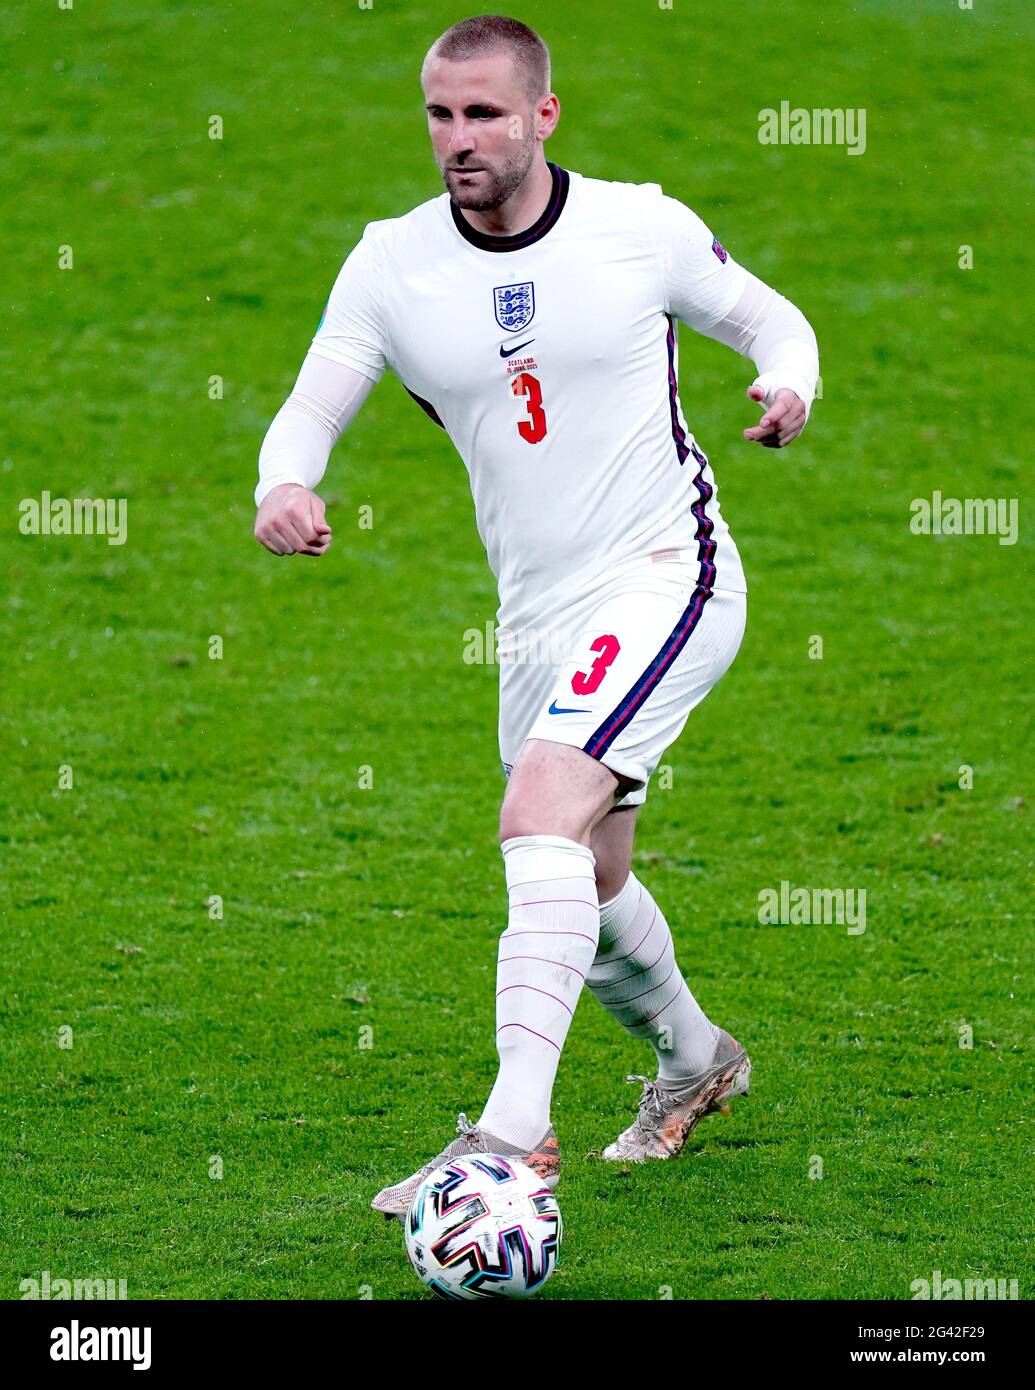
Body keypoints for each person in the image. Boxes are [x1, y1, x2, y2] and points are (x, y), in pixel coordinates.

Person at [253, 14, 819, 1221]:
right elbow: (310, 405)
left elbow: (774, 320)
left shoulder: (637, 226)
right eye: (440, 115)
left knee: (537, 807)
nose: (458, 140)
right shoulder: (391, 263)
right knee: (589, 872)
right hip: (535, 618)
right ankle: (697, 1059)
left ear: (543, 116)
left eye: (485, 114)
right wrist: (284, 485)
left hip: (671, 569)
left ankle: (507, 1136)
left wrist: (788, 384)